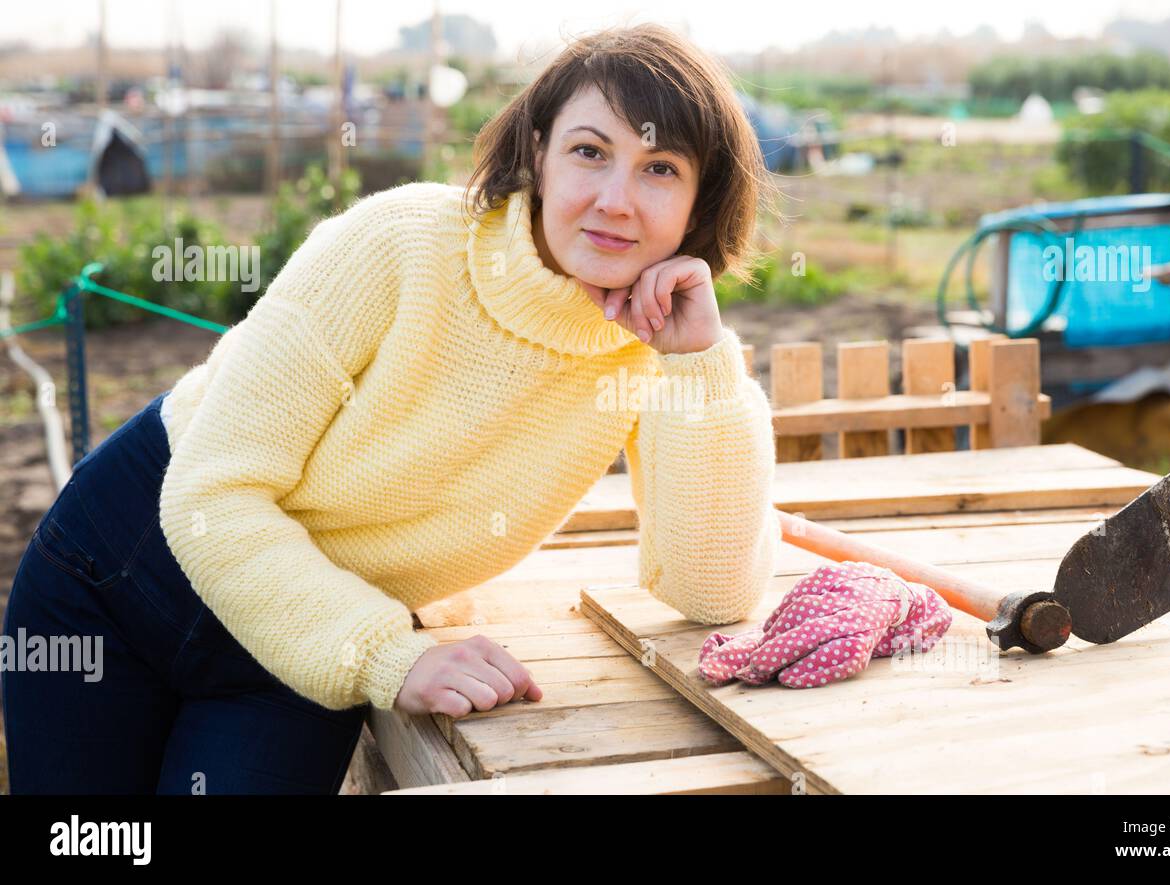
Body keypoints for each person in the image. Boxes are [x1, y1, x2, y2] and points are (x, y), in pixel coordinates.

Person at [1, 22, 782, 795]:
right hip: (123, 576)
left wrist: (699, 365)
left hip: (303, 644)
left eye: (660, 169)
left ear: (699, 200)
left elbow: (711, 592)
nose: (616, 200)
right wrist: (390, 655)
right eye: (589, 151)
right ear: (538, 153)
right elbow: (213, 492)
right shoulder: (403, 243)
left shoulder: (655, 347)